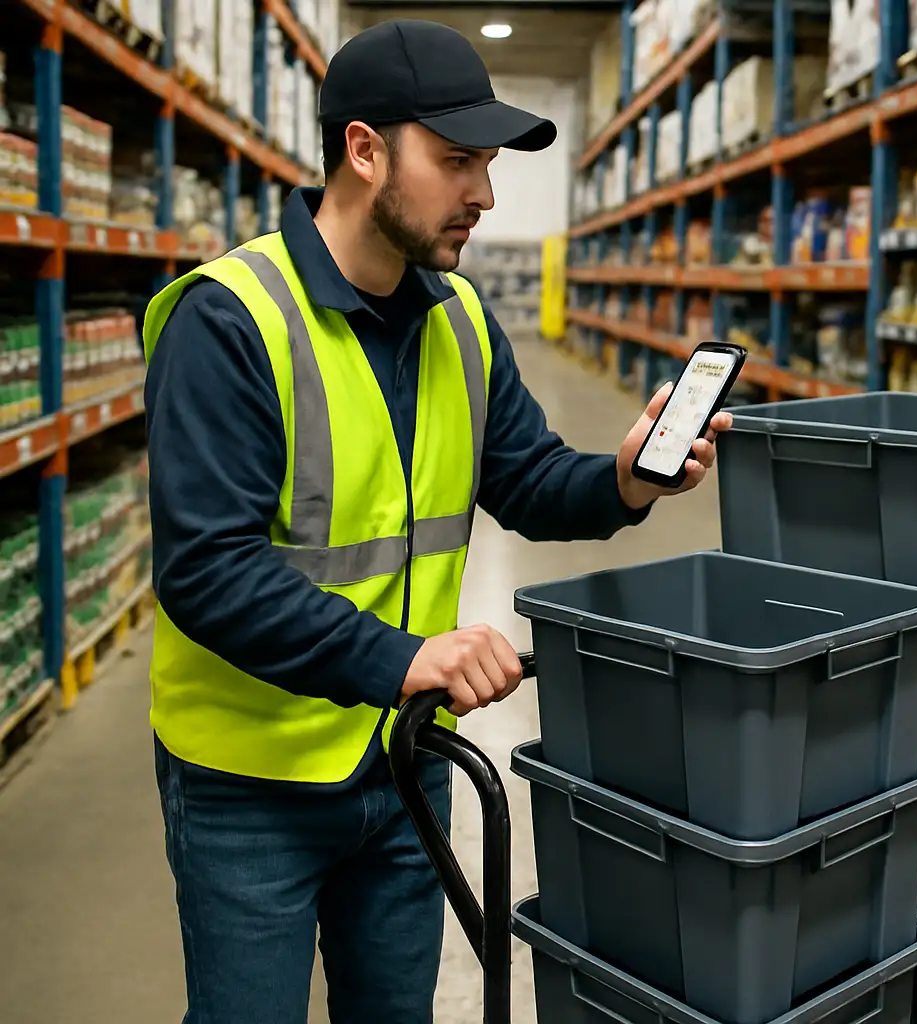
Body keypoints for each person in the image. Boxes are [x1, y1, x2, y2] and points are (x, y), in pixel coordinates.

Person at [141, 19, 730, 1024]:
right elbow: (207, 570)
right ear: (364, 150)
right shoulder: (232, 320)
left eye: (489, 165)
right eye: (457, 162)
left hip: (405, 763)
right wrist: (406, 658)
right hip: (252, 779)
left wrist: (624, 481)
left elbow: (532, 478)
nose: (486, 196)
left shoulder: (458, 319)